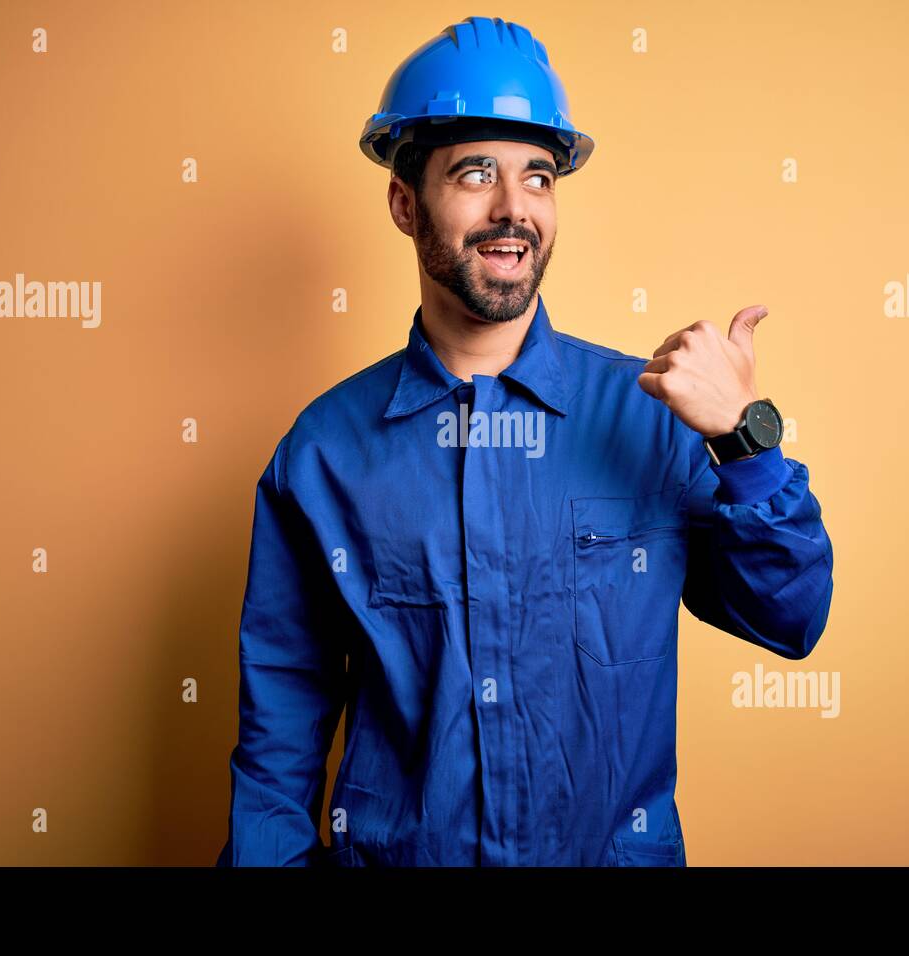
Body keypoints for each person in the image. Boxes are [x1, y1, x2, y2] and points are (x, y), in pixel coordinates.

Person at [217, 15, 834, 867]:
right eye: (476, 174)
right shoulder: (324, 452)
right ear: (405, 203)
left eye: (538, 178)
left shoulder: (654, 416)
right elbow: (280, 728)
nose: (515, 210)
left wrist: (742, 441)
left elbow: (791, 621)